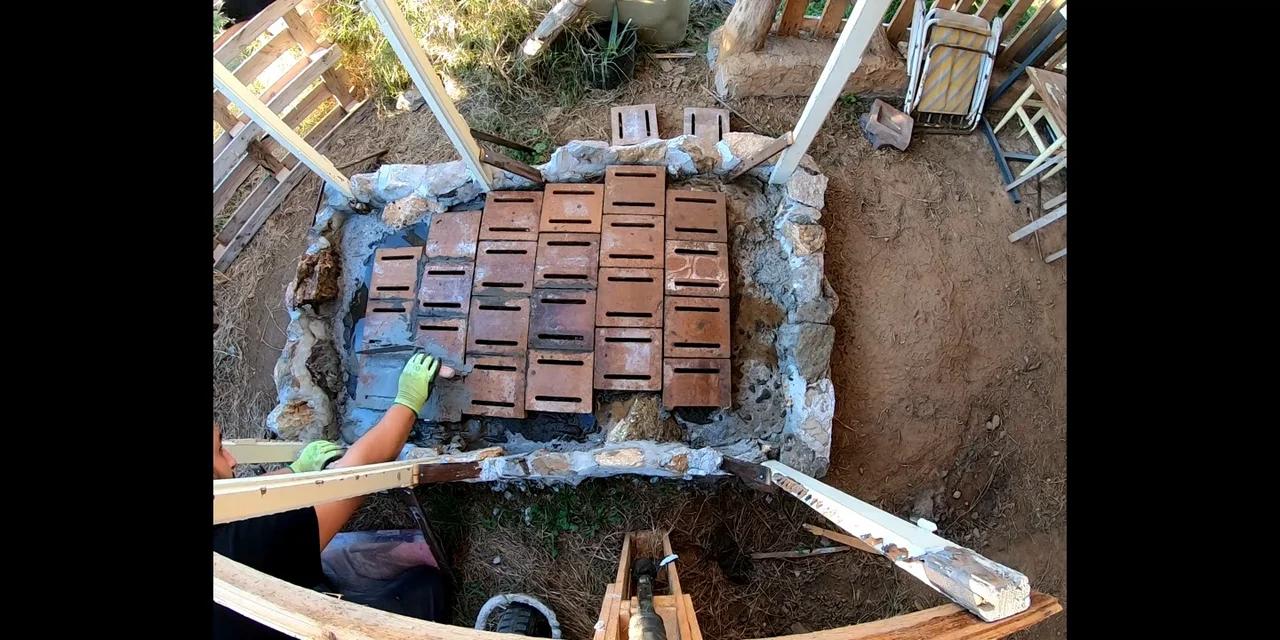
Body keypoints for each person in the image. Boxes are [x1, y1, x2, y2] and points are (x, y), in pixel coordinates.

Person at [213, 353, 442, 639]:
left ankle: (312, 578)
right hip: (300, 628)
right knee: (427, 586)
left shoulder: (232, 530)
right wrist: (407, 401)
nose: (232, 459)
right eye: (220, 451)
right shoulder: (245, 547)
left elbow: (241, 500)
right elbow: (356, 477)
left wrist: (296, 470)